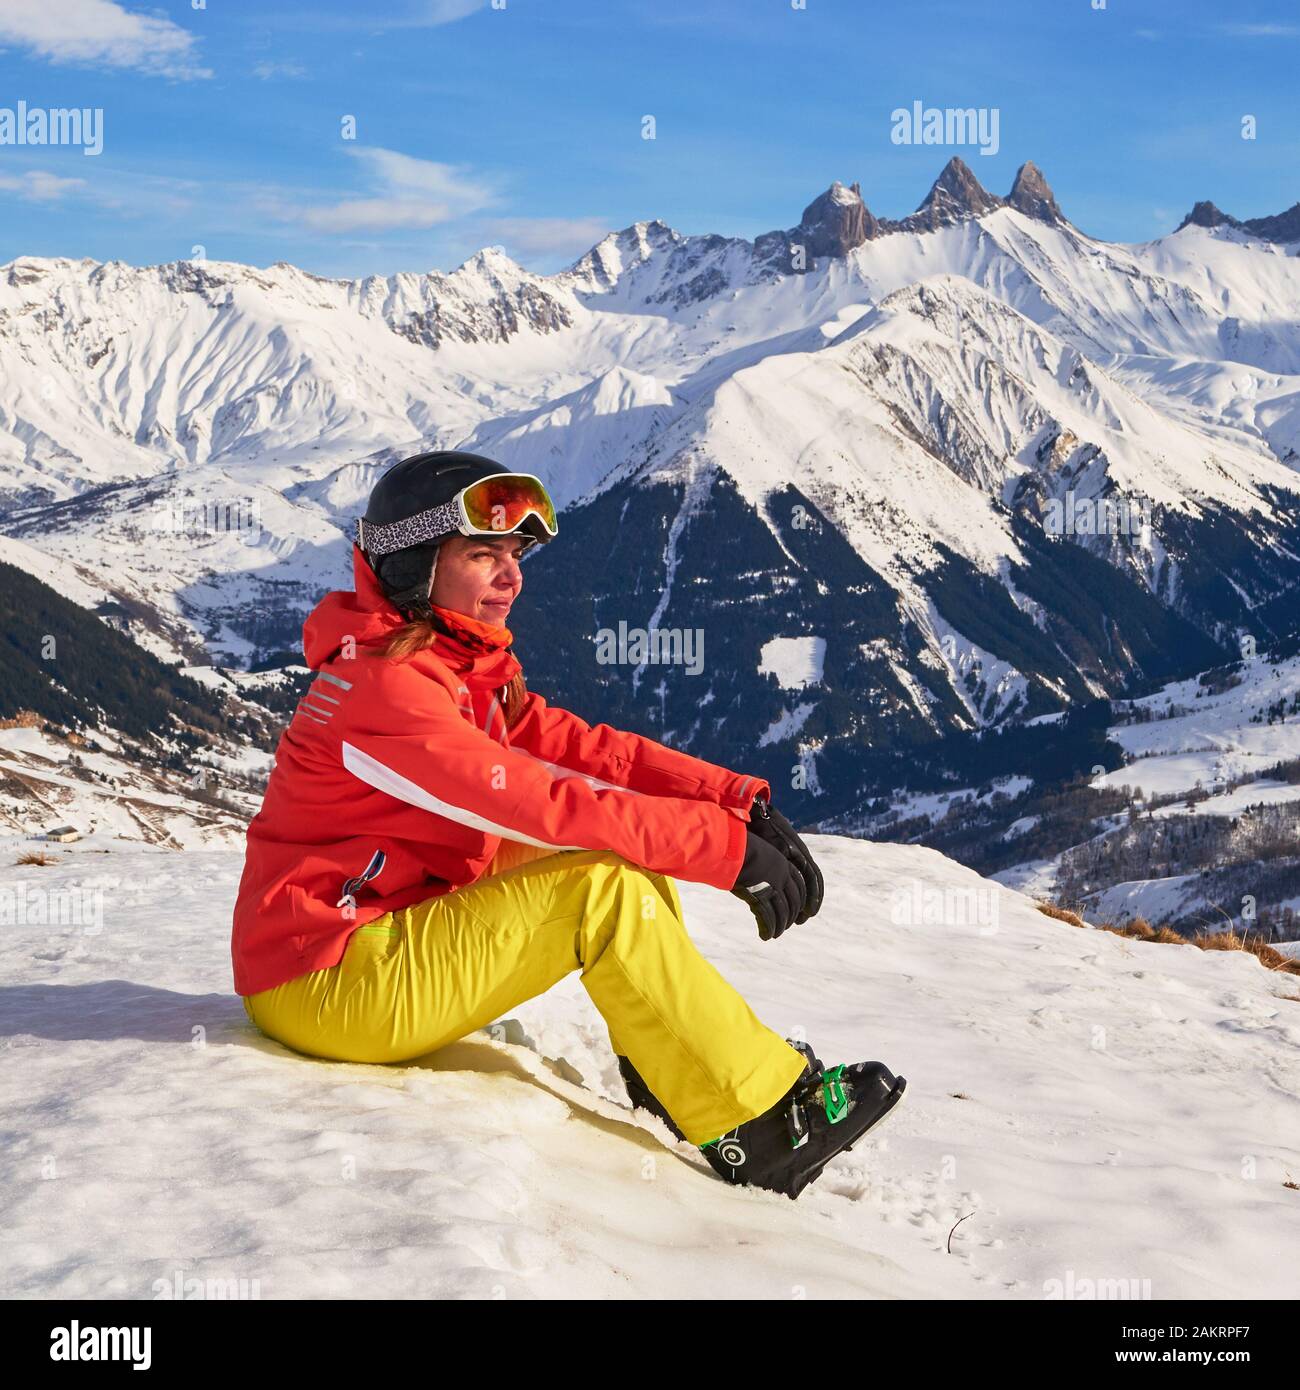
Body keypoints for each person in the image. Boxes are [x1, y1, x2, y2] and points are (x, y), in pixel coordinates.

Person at [232, 450, 905, 1199]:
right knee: (596, 888)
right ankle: (762, 1127)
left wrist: (731, 800)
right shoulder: (385, 688)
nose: (511, 577)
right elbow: (546, 800)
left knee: (620, 860)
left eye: (515, 556)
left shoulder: (447, 663)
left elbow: (573, 744)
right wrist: (722, 852)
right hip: (325, 979)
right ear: (416, 563)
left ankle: (679, 1070)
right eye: (483, 555)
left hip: (369, 937)